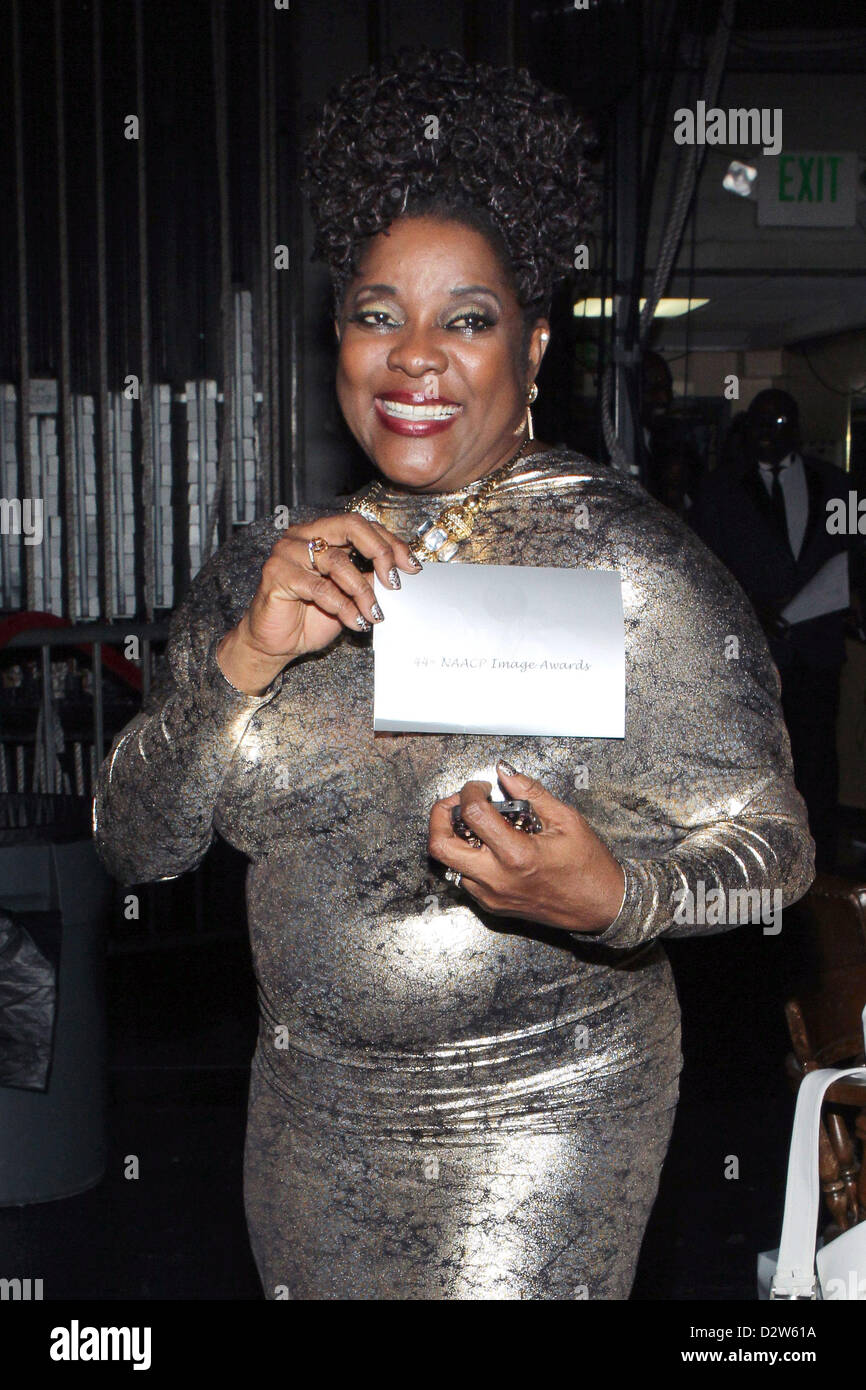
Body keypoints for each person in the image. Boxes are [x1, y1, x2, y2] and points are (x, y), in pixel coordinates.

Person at [93, 51, 814, 1300]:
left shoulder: (627, 565)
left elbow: (775, 851)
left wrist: (617, 898)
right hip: (306, 1123)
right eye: (377, 314)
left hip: (542, 1115)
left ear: (531, 347)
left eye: (464, 319)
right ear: (339, 338)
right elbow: (133, 844)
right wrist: (247, 658)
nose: (412, 357)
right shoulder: (279, 571)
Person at [690, 389, 852, 871]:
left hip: (816, 648)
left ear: (796, 429)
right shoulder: (721, 489)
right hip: (753, 652)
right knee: (759, 757)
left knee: (818, 752)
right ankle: (762, 860)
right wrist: (750, 610)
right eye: (760, 423)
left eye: (779, 424)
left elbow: (851, 558)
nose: (769, 433)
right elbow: (704, 569)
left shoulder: (837, 485)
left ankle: (822, 861)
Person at [640, 350, 701, 517]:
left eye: (667, 389)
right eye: (654, 389)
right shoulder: (605, 444)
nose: (664, 398)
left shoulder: (678, 441)